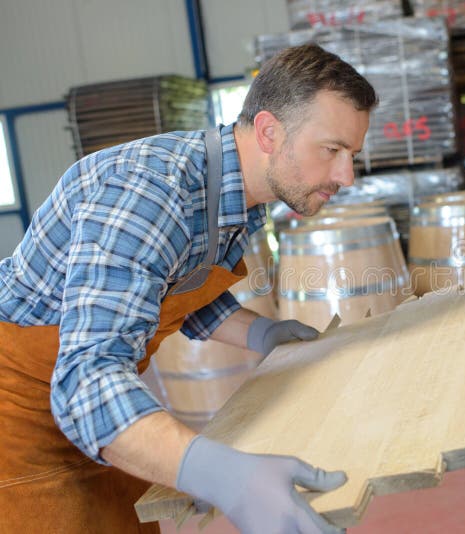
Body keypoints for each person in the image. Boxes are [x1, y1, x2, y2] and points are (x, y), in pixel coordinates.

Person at [0, 44, 376, 534]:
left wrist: (262, 333)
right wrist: (225, 477)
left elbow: (173, 289)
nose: (346, 175)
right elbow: (84, 386)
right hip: (19, 417)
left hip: (95, 403)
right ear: (268, 131)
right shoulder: (148, 195)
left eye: (352, 155)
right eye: (331, 150)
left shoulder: (237, 193)